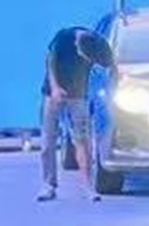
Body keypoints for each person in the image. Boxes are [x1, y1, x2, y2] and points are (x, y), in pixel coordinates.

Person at [39, 26, 115, 202]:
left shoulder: (99, 44)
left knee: (82, 140)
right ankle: (48, 185)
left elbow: (110, 64)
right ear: (77, 42)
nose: (82, 58)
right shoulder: (64, 38)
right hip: (52, 92)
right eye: (80, 54)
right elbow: (50, 61)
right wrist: (55, 87)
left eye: (86, 58)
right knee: (48, 140)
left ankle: (87, 186)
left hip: (78, 94)